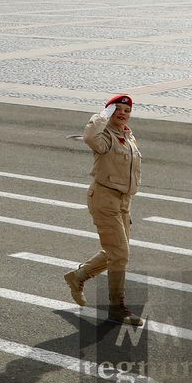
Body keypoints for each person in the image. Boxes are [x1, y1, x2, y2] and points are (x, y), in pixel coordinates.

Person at [63, 95, 144, 325]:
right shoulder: (104, 134)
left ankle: (78, 276)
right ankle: (117, 307)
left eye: (126, 110)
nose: (122, 113)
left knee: (116, 252)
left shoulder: (128, 135)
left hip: (123, 202)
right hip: (104, 199)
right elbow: (89, 137)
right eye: (117, 109)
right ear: (109, 111)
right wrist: (101, 116)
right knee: (120, 254)